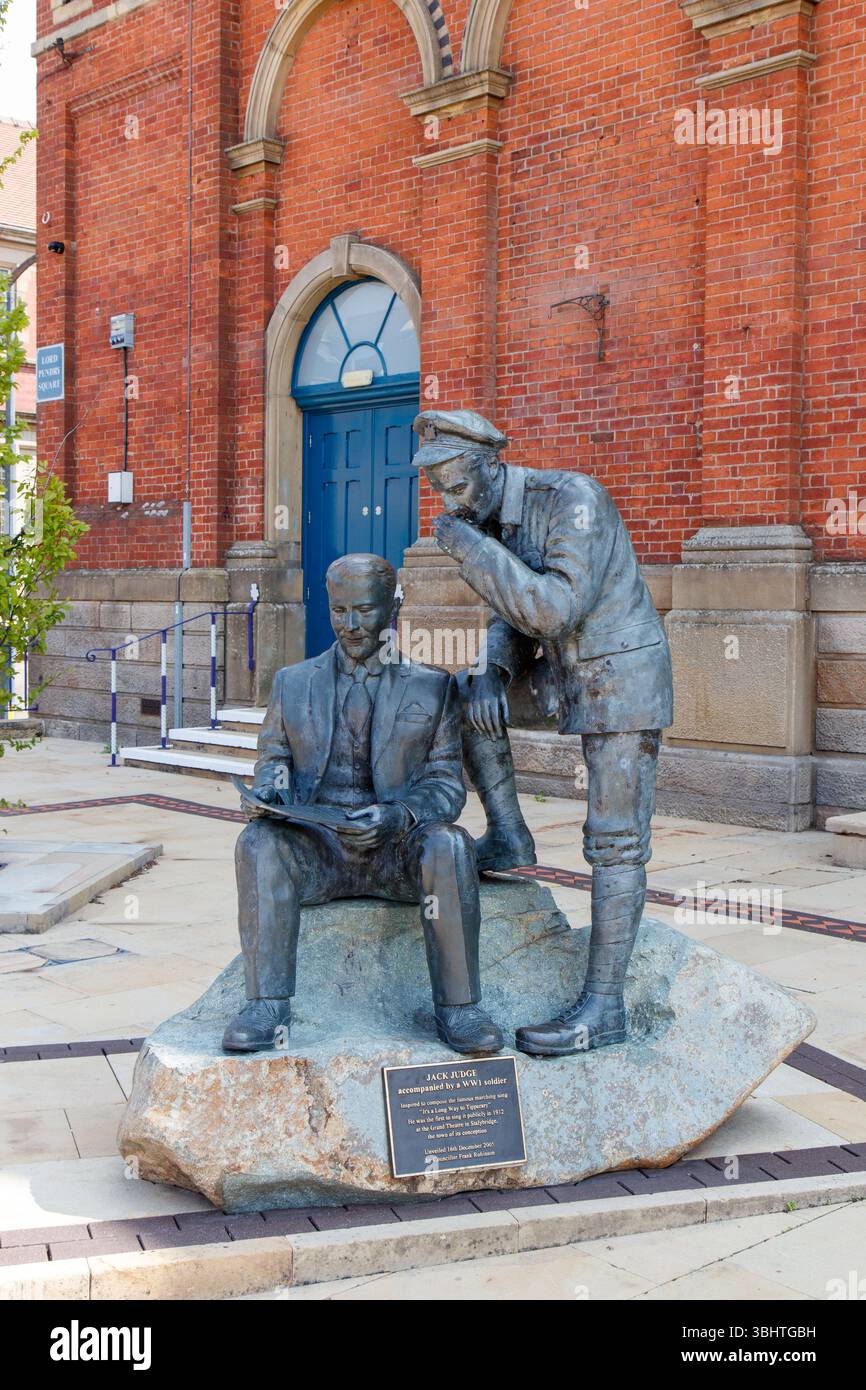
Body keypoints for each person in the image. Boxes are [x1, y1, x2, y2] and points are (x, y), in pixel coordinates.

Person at [412, 409, 673, 1057]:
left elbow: (551, 609)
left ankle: (604, 1007)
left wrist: (471, 550)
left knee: (613, 844)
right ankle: (508, 833)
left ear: (491, 463)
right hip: (560, 672)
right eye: (440, 489)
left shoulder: (573, 501)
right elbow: (514, 616)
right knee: (464, 695)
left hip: (622, 678)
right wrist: (494, 668)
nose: (451, 502)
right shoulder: (495, 517)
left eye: (459, 485)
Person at [222, 551, 504, 1056]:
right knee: (258, 842)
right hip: (319, 853)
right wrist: (271, 788)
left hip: (396, 853)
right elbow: (274, 758)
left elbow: (445, 785)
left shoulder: (432, 686)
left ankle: (459, 1008)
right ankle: (266, 1005)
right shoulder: (293, 682)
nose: (350, 625)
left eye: (365, 611)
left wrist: (397, 816)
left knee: (451, 845)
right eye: (338, 611)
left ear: (391, 608)